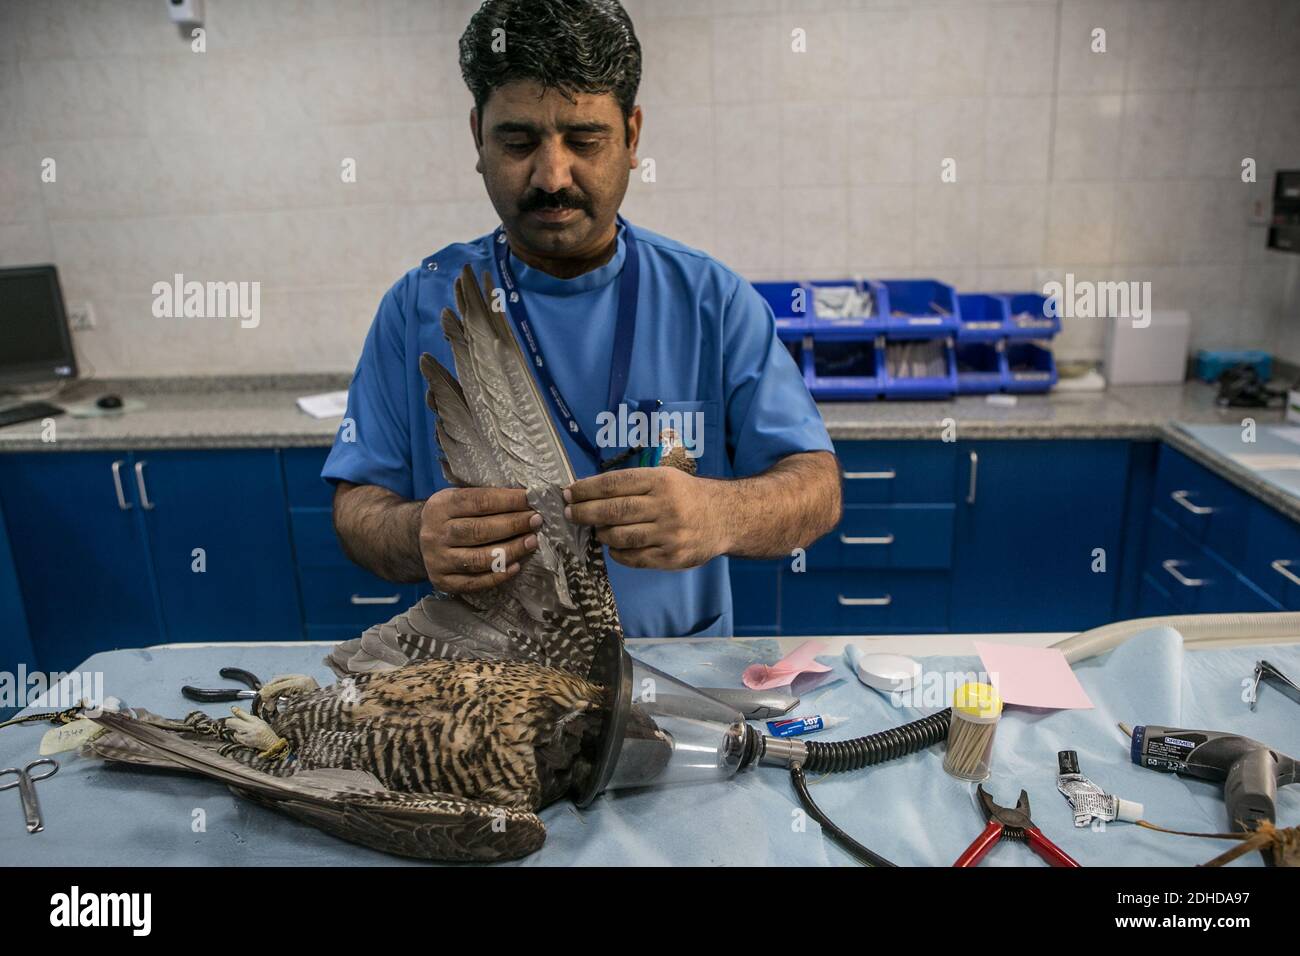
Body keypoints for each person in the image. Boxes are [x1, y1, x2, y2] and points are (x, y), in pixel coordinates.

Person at [325, 0, 841, 638]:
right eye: (518, 141)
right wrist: (415, 534)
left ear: (632, 137)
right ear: (477, 139)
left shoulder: (711, 299)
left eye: (584, 139)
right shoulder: (419, 304)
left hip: (673, 678)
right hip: (487, 701)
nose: (551, 176)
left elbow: (817, 486)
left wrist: (720, 513)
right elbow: (357, 508)